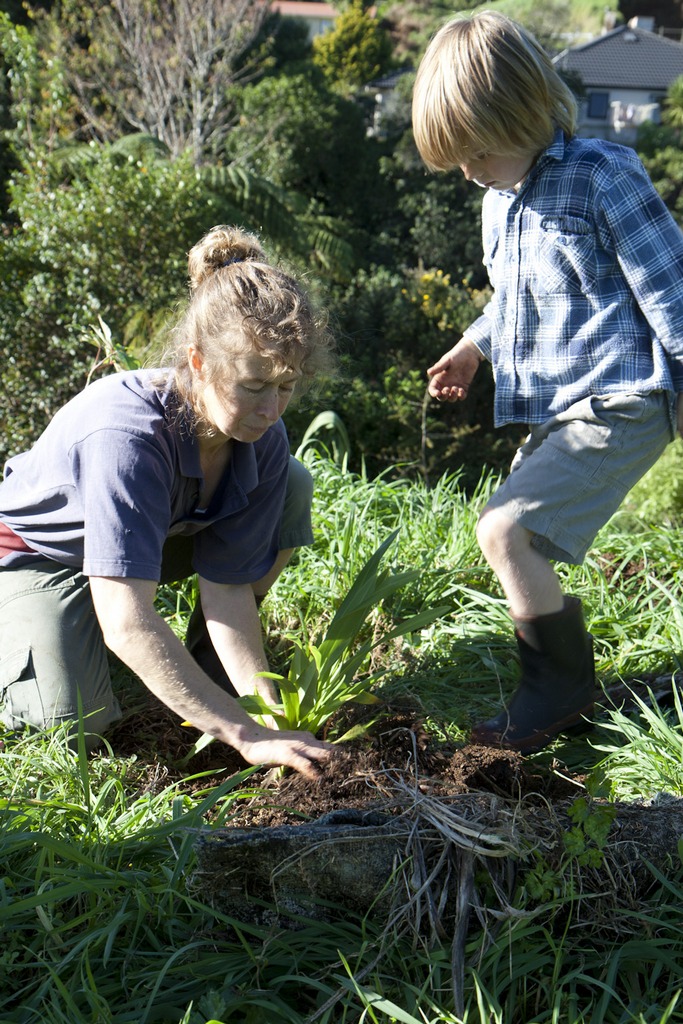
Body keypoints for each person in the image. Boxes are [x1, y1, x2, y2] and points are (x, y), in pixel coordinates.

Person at [412, 11, 683, 752]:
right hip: (560, 409)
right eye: (456, 160)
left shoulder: (603, 175)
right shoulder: (497, 202)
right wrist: (473, 345)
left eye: (477, 151)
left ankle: (556, 693)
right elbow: (515, 296)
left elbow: (670, 288)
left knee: (506, 530)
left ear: (523, 111)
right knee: (511, 535)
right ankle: (562, 683)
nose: (469, 171)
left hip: (625, 398)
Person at [0, 224, 336, 778]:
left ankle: (206, 675)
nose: (272, 408)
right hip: (37, 554)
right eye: (254, 386)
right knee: (71, 726)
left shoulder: (261, 436)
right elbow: (127, 619)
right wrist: (242, 736)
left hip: (141, 544)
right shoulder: (127, 438)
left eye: (286, 385)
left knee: (292, 484)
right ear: (198, 363)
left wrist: (269, 717)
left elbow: (227, 587)